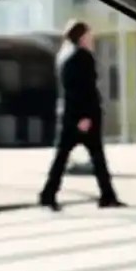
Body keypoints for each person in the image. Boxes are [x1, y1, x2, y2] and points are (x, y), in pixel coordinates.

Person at [39, 20, 122, 210]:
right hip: (83, 116)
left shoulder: (63, 55)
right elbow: (82, 89)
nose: (91, 38)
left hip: (70, 114)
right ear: (81, 36)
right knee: (95, 157)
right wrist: (84, 117)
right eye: (89, 35)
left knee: (65, 158)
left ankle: (48, 194)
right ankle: (106, 196)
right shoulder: (82, 56)